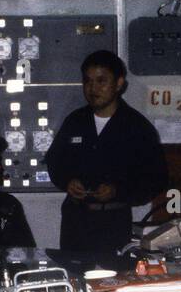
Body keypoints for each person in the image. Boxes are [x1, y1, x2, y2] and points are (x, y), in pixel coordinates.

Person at [44, 49, 169, 256]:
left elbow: (155, 179)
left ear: (119, 84)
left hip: (114, 223)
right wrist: (67, 181)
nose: (93, 88)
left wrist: (117, 191)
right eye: (88, 81)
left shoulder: (137, 127)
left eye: (101, 81)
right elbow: (55, 162)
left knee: (114, 280)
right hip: (76, 222)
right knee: (76, 277)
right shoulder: (74, 122)